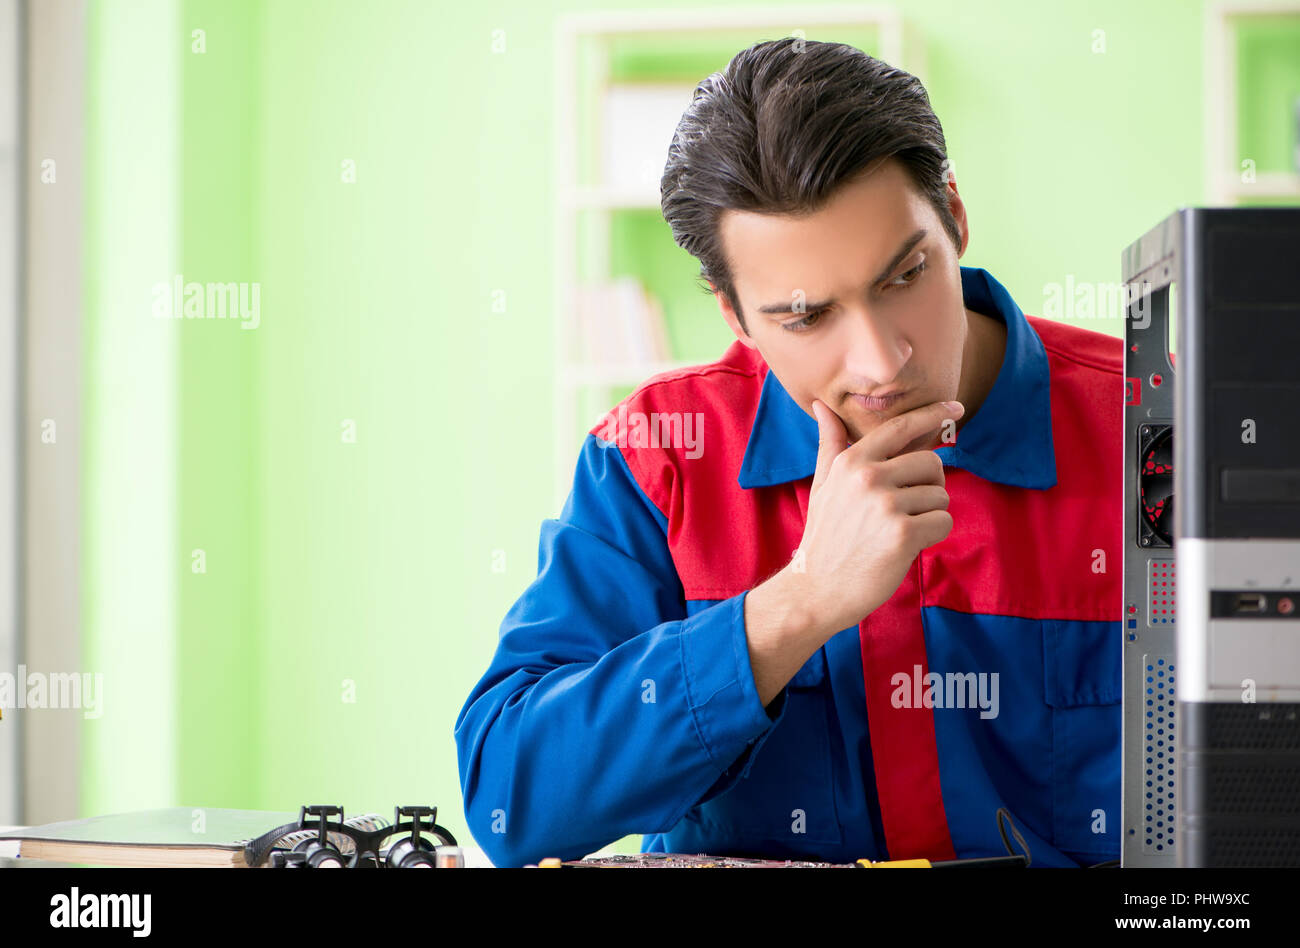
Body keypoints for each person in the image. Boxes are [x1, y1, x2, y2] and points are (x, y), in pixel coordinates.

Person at [455, 38, 1123, 868]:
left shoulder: (1156, 432)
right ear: (734, 314)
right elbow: (508, 797)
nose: (881, 362)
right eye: (807, 318)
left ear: (953, 215)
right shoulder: (657, 459)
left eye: (904, 275)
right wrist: (795, 607)